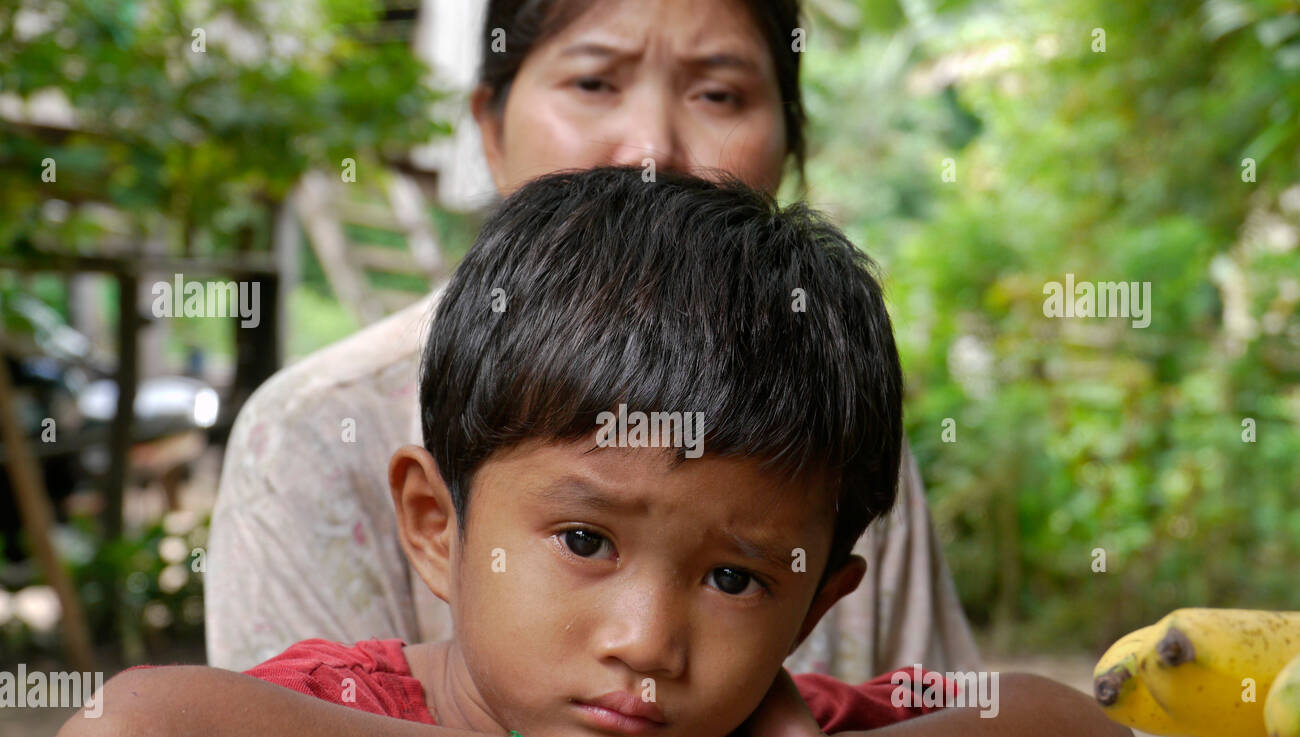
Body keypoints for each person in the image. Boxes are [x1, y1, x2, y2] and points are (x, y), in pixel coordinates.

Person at [46, 167, 1138, 737]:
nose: (646, 640)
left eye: (734, 577)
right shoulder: (351, 717)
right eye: (583, 541)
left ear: (813, 603)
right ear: (437, 523)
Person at [205, 0, 983, 680]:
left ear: (790, 145)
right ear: (489, 130)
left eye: (719, 92)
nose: (651, 152)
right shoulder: (311, 434)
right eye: (593, 82)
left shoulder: (826, 434)